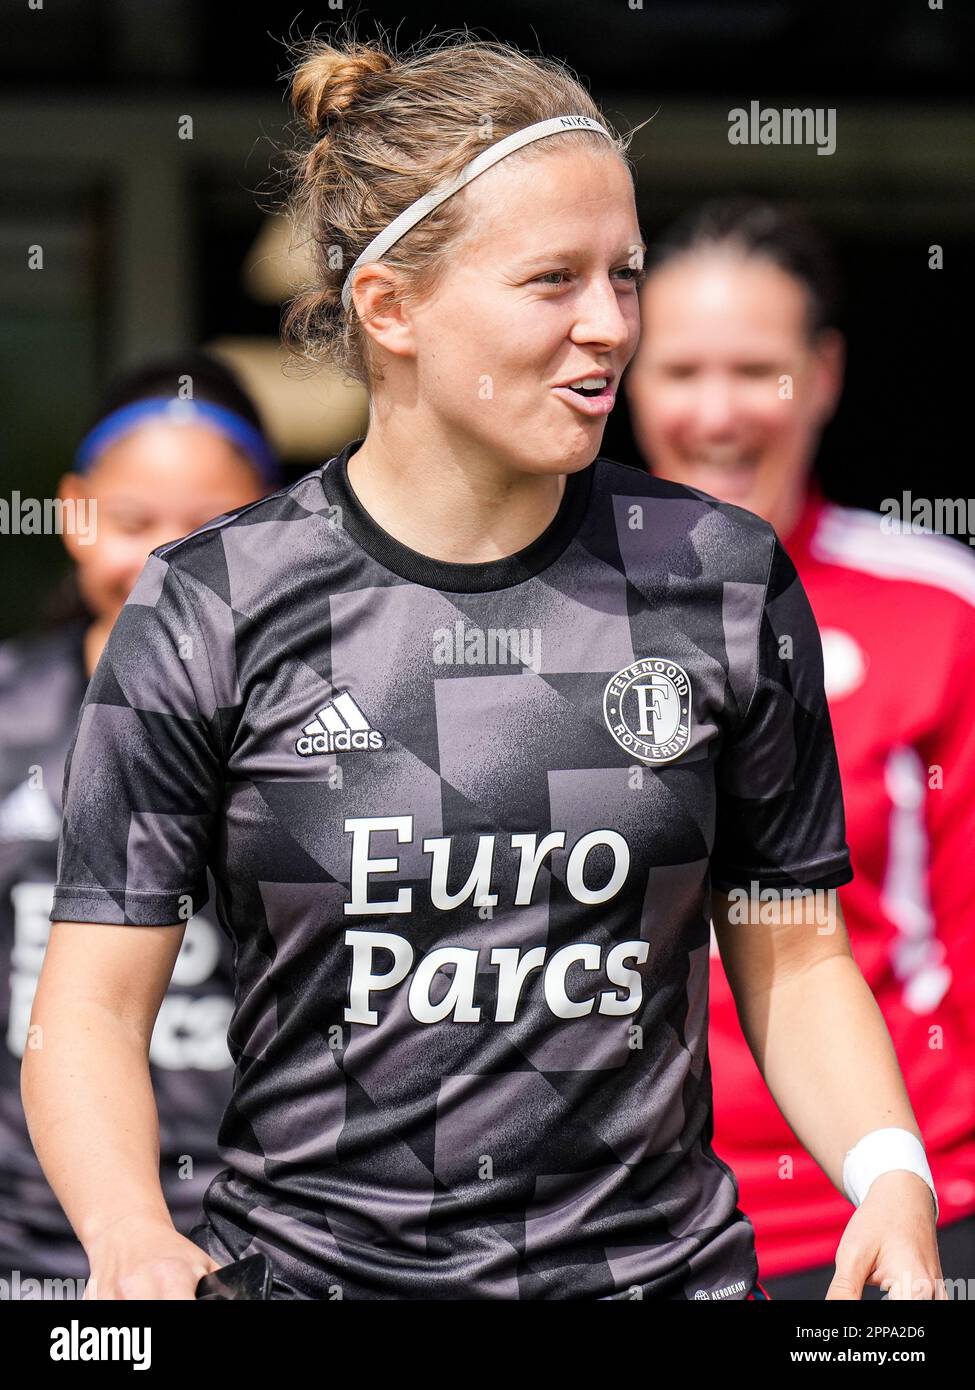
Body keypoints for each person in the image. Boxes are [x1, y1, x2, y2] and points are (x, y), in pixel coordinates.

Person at [22, 34, 943, 1302]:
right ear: (390, 306)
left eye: (624, 276)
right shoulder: (214, 601)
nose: (608, 326)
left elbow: (793, 947)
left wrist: (889, 1170)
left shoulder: (720, 576)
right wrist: (127, 1231)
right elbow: (88, 1007)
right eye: (553, 279)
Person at [624, 198, 975, 1299]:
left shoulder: (941, 608)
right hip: (621, 1227)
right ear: (626, 379)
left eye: (757, 370)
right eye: (681, 371)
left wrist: (911, 1170)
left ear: (823, 376)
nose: (719, 411)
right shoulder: (545, 612)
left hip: (899, 1218)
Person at [0, 351, 280, 1293]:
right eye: (132, 523)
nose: (166, 564)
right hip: (26, 1241)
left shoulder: (325, 743)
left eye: (208, 531)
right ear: (73, 513)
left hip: (255, 1245)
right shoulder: (7, 716)